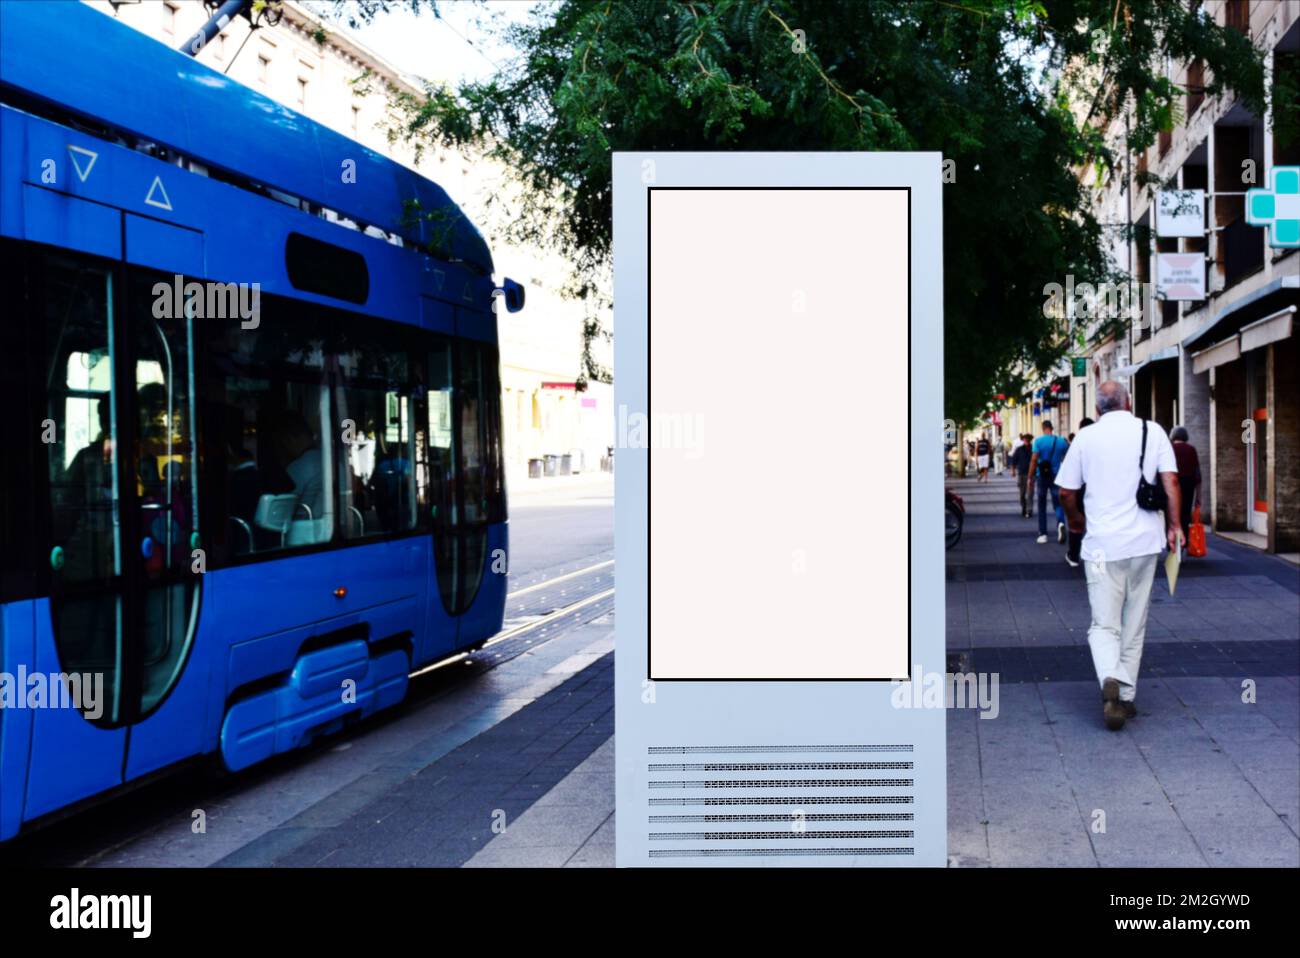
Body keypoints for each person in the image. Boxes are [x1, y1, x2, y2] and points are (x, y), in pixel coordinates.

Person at [1055, 381, 1182, 731]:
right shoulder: (1152, 431)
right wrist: (1174, 527)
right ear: (1128, 402)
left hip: (1099, 548)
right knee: (1135, 620)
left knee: (1103, 624)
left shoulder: (1086, 438)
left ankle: (1110, 678)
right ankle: (1124, 695)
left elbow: (1067, 492)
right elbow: (1170, 481)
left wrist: (1078, 522)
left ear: (1097, 410)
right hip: (1144, 544)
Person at [1026, 421, 1068, 544]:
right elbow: (1068, 457)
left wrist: (1030, 477)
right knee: (1058, 503)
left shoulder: (1038, 441)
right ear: (1052, 428)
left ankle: (1043, 534)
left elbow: (1034, 460)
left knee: (1042, 504)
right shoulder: (1061, 441)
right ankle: (1060, 522)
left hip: (1042, 476)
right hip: (1057, 476)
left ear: (1043, 428)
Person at [1064, 417, 1095, 567]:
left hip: (1081, 491)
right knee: (1095, 529)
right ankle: (1097, 564)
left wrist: (1072, 513)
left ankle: (1074, 556)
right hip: (1100, 494)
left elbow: (1065, 491)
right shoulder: (1102, 444)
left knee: (1077, 524)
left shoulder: (1078, 444)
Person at [1170, 426, 1201, 545]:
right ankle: (1183, 544)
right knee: (1185, 514)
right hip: (1189, 485)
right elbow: (1197, 474)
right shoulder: (1191, 449)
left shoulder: (1169, 449)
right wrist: (1199, 495)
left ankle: (1171, 544)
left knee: (1172, 514)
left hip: (1173, 485)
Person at [1011, 433, 1033, 517]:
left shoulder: (1034, 449)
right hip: (1021, 474)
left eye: (1028, 439)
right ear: (1023, 440)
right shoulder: (1019, 449)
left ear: (1030, 440)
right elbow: (1014, 460)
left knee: (1030, 493)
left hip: (1031, 474)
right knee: (1022, 494)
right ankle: (1024, 507)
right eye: (1025, 439)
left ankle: (1029, 510)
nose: (1026, 441)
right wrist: (1013, 470)